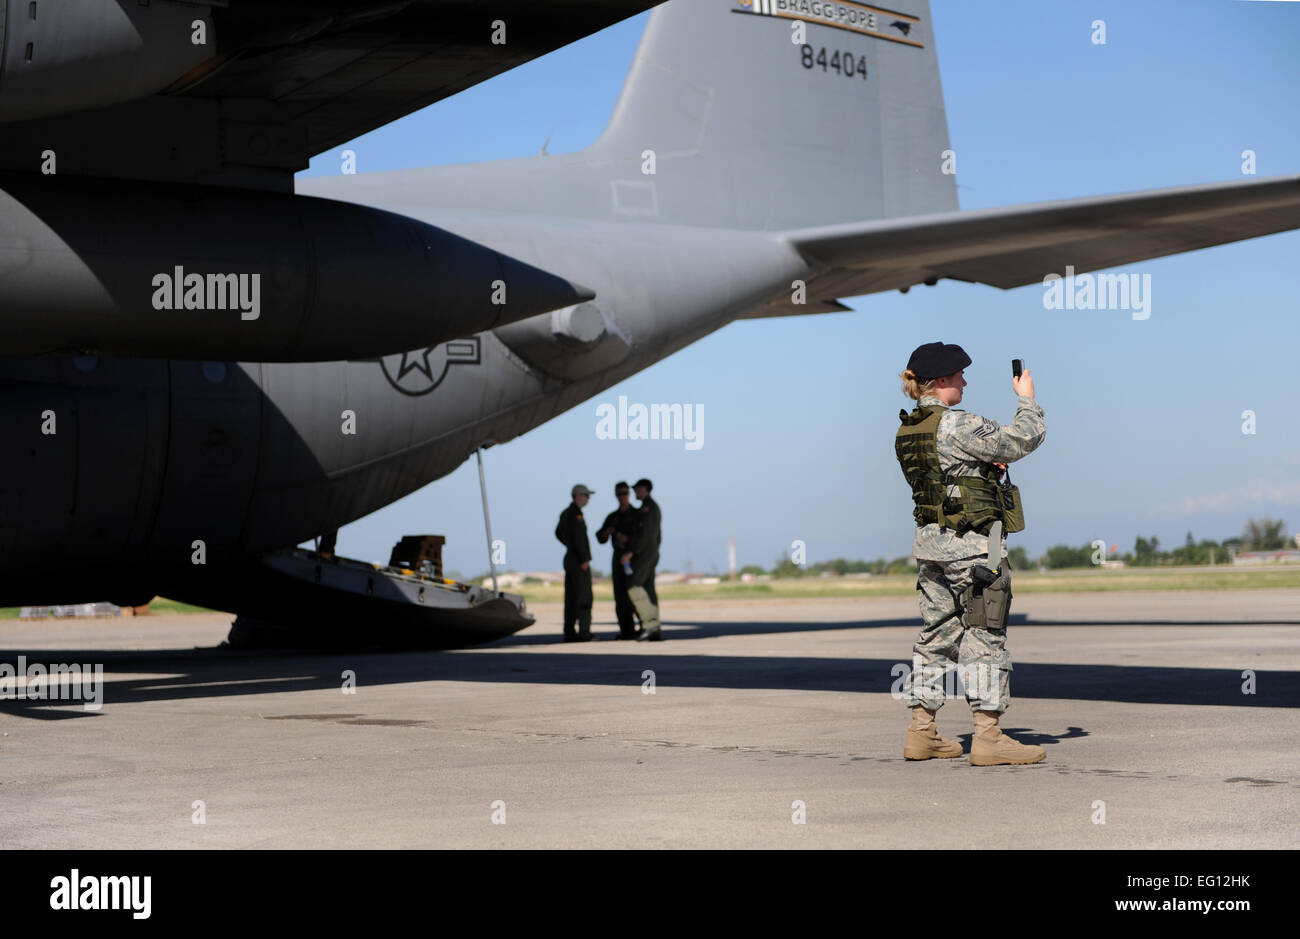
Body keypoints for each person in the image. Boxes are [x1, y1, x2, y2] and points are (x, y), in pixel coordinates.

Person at [895, 341, 1046, 766]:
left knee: (935, 637)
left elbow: (948, 477)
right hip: (974, 549)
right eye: (958, 375)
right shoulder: (957, 425)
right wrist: (1027, 400)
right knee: (984, 634)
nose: (964, 381)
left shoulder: (909, 429)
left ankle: (921, 733)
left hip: (931, 548)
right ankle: (989, 737)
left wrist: (981, 470)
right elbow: (1020, 440)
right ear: (940, 382)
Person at [596, 481, 640, 638]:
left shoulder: (637, 514)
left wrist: (629, 545)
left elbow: (642, 537)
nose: (622, 497)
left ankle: (643, 627)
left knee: (635, 593)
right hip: (618, 558)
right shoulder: (613, 517)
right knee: (620, 596)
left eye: (624, 493)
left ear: (629, 494)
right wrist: (606, 532)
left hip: (633, 558)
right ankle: (626, 630)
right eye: (619, 494)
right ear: (616, 496)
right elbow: (600, 536)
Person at [622, 478, 662, 641]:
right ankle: (654, 626)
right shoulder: (650, 507)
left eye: (637, 489)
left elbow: (645, 535)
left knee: (633, 585)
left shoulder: (647, 508)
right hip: (651, 552)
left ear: (645, 489)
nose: (635, 493)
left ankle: (650, 624)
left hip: (644, 553)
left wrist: (631, 551)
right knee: (648, 588)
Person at [555, 484, 594, 642]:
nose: (588, 498)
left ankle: (569, 632)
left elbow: (558, 533)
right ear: (578, 495)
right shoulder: (576, 514)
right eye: (586, 495)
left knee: (570, 597)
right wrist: (584, 558)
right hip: (578, 560)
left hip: (570, 558)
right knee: (584, 596)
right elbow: (579, 538)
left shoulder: (566, 513)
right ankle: (584, 632)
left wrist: (569, 545)